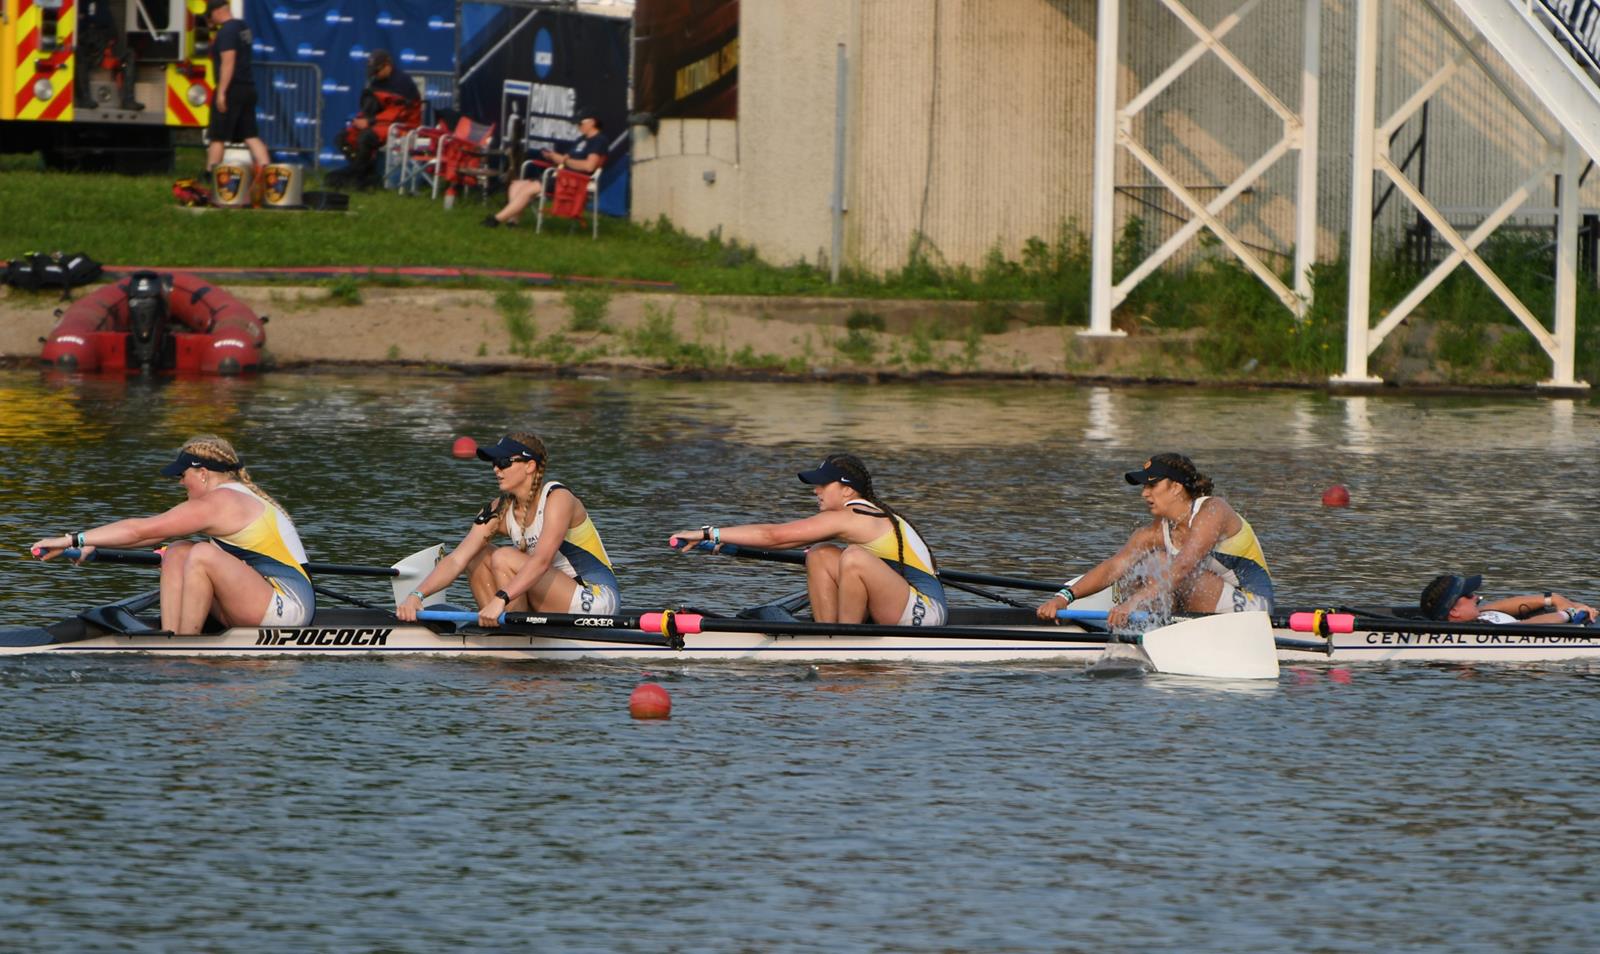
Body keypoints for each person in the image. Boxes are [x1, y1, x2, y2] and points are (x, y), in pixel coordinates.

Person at [29, 436, 314, 634]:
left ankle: (183, 647)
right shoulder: (227, 498)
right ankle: (171, 636)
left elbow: (142, 531)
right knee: (179, 550)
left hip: (288, 608)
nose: (181, 483)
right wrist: (92, 542)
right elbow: (144, 536)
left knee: (201, 555)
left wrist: (72, 539)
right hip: (253, 596)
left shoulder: (223, 502)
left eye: (182, 476)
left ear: (202, 473)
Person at [668, 454, 948, 626]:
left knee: (853, 558)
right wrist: (730, 544)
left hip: (925, 612)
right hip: (899, 600)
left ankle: (844, 640)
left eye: (823, 484)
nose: (816, 490)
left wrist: (709, 533)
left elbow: (775, 536)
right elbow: (776, 538)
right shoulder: (860, 512)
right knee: (820, 553)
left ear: (848, 491)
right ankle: (827, 633)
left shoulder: (853, 516)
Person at [396, 433, 620, 627]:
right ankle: (502, 629)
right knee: (477, 555)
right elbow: (457, 560)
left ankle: (512, 625)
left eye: (503, 462)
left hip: (595, 601)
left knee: (503, 557)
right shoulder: (499, 509)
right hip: (548, 597)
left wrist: (501, 598)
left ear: (530, 466)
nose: (496, 468)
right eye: (494, 462)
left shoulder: (558, 498)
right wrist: (417, 596)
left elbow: (541, 561)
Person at [1035, 453, 1274, 628]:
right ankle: (1148, 630)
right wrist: (1063, 598)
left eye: (1152, 485)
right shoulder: (1154, 533)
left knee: (1158, 563)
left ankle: (1151, 626)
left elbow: (1183, 567)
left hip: (1252, 610)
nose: (1144, 493)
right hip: (1204, 609)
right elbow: (1113, 567)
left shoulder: (1213, 510)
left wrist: (1132, 603)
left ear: (1176, 488)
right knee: (1138, 567)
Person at [481, 114, 605, 227]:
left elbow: (589, 166)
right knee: (516, 185)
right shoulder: (581, 140)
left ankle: (496, 220)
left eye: (580, 123)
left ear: (592, 122)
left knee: (528, 189)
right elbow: (566, 159)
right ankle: (513, 221)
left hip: (574, 181)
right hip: (562, 175)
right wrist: (553, 157)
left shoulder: (599, 141)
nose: (578, 126)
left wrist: (564, 161)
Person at [333, 49, 422, 190]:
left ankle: (359, 178)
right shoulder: (375, 82)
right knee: (343, 138)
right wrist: (360, 120)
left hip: (402, 125)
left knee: (366, 137)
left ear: (388, 65)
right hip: (380, 122)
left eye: (377, 71)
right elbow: (371, 108)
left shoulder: (403, 82)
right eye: (372, 71)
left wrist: (370, 122)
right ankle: (364, 171)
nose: (375, 74)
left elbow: (398, 113)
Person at [204, 0, 270, 175]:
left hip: (232, 89)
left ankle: (210, 175)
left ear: (217, 12)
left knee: (217, 136)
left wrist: (222, 92)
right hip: (247, 87)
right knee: (250, 135)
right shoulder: (243, 27)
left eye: (210, 18)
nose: (211, 23)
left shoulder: (227, 31)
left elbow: (228, 62)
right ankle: (267, 174)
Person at [1420, 574, 1596, 625]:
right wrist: (1570, 613)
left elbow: (1500, 606)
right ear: (1454, 611)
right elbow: (1523, 628)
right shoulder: (1474, 629)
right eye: (1468, 595)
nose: (1475, 597)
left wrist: (1552, 599)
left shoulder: (1475, 615)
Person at [73, 0, 142, 112]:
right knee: (78, 53)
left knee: (129, 54)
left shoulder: (102, 4)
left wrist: (110, 45)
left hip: (105, 46)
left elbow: (111, 28)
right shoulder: (80, 3)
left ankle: (128, 100)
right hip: (87, 48)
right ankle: (83, 99)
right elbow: (78, 26)